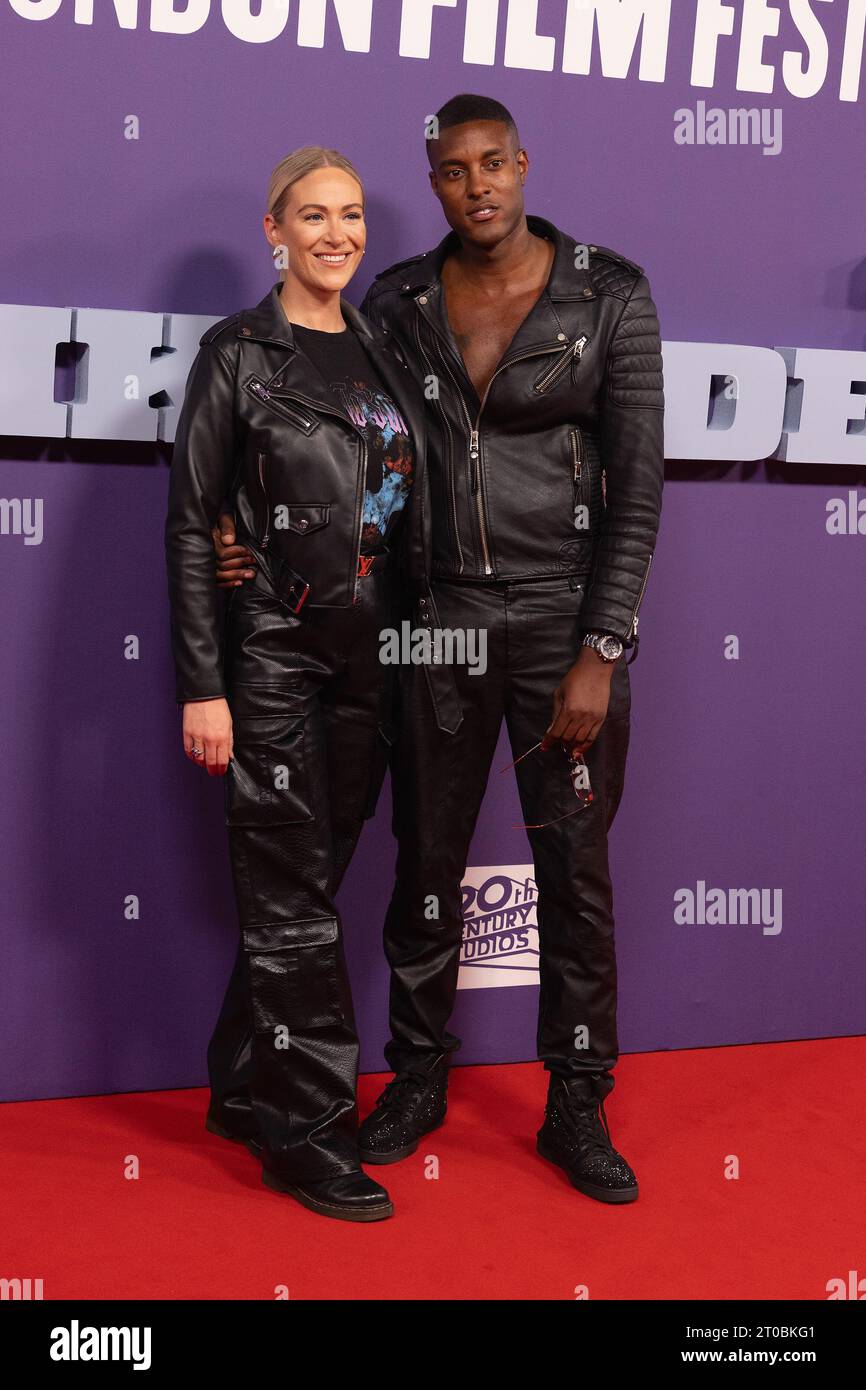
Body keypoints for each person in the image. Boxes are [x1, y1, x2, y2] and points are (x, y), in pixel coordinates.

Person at [213, 94, 665, 1205]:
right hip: (436, 622)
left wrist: (599, 647)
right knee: (426, 864)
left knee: (573, 868)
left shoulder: (608, 292)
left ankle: (574, 1101)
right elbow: (333, 441)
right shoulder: (398, 299)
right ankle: (416, 1080)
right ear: (434, 185)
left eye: (492, 164)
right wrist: (246, 537)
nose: (477, 187)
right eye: (453, 172)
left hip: (562, 618)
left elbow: (638, 487)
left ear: (521, 163)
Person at [164, 146, 426, 1222]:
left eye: (352, 215)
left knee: (304, 884)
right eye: (313, 215)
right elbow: (193, 525)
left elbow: (399, 510)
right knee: (292, 909)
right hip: (269, 652)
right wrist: (204, 682)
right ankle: (306, 1135)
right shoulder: (237, 354)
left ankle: (243, 1088)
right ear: (274, 229)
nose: (337, 234)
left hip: (368, 662)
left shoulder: (377, 346)